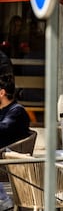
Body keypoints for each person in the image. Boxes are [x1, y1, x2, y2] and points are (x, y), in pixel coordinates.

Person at [0, 73, 31, 210]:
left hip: (10, 158)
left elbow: (4, 128)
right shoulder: (4, 110)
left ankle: (3, 199)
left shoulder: (17, 111)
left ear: (2, 92)